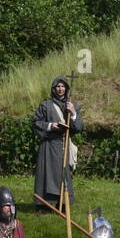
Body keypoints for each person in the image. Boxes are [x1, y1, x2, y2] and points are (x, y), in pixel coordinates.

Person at [33, 76, 82, 209]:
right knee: (46, 174)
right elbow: (36, 123)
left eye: (62, 86)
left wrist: (73, 113)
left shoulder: (72, 105)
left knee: (63, 174)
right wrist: (50, 126)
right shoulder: (46, 105)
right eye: (58, 87)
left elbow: (78, 127)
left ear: (66, 88)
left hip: (63, 145)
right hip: (48, 145)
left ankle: (63, 205)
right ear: (54, 89)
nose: (60, 89)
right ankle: (42, 205)